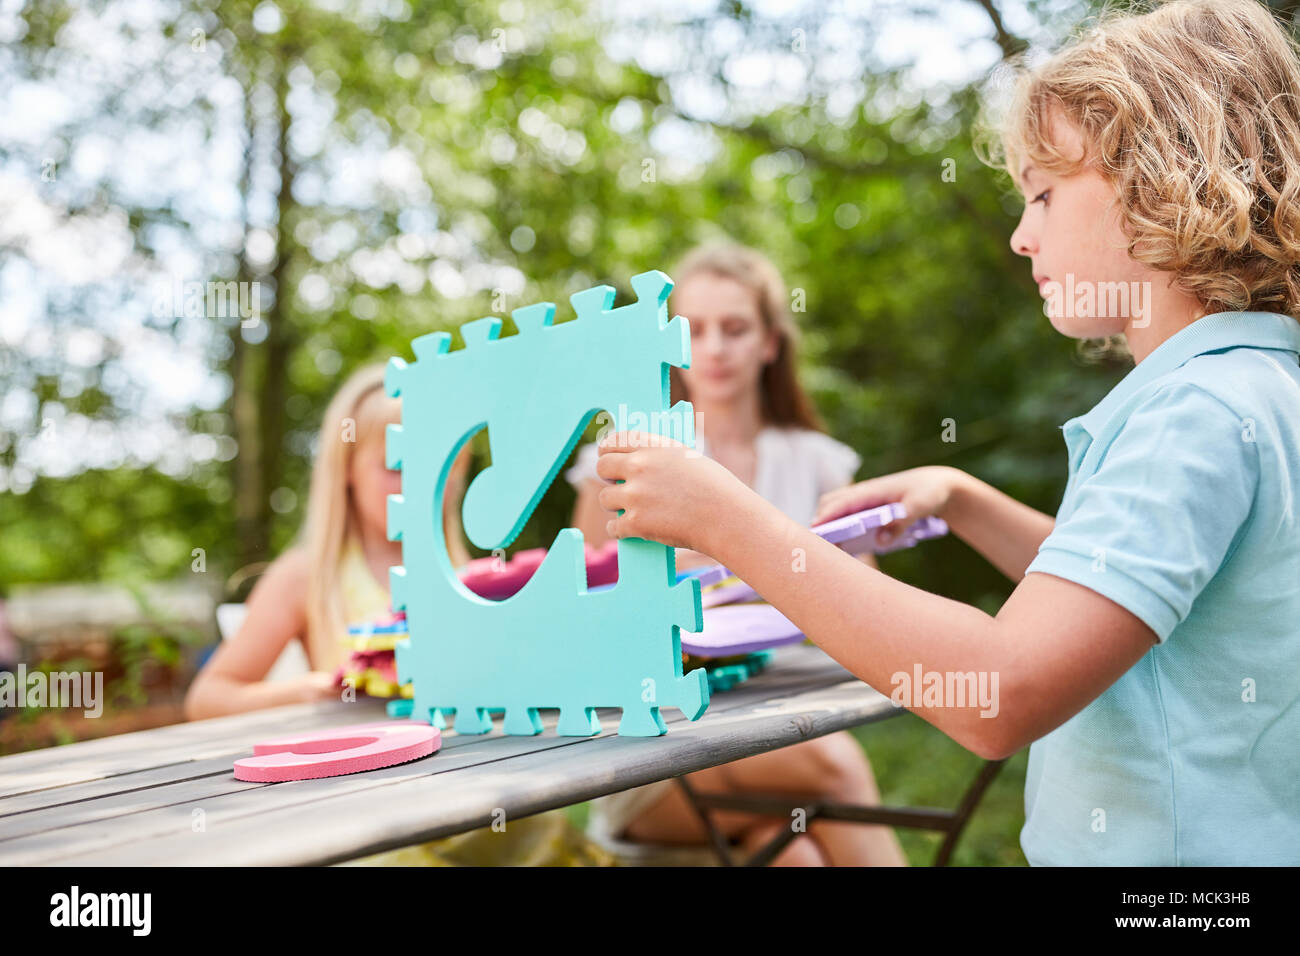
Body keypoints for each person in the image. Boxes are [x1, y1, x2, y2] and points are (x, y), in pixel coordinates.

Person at [591, 0, 1300, 865]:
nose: (1019, 234)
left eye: (1044, 193)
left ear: (1161, 176)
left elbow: (1000, 690)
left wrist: (727, 522)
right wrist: (963, 500)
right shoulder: (1260, 385)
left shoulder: (1191, 414)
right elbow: (1139, 602)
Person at [185, 364, 614, 866]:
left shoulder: (469, 574)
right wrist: (314, 690)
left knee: (545, 832)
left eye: (438, 460)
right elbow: (208, 697)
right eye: (395, 464)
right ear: (346, 470)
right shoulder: (306, 576)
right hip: (378, 811)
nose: (420, 481)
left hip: (480, 793)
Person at [568, 242, 908, 866]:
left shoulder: (815, 461)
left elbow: (870, 613)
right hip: (653, 749)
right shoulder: (623, 459)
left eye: (736, 328)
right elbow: (583, 616)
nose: (716, 348)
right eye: (694, 330)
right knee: (835, 766)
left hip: (771, 720)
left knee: (793, 856)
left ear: (770, 343)